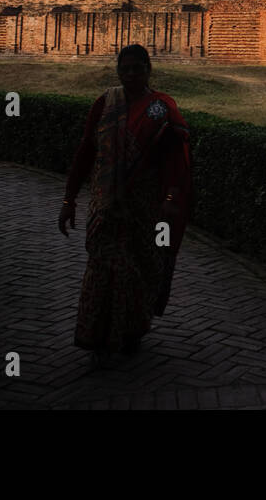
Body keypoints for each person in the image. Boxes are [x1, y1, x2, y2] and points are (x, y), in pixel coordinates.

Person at [58, 44, 193, 365]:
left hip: (143, 206)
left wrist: (172, 199)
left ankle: (131, 331)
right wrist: (69, 198)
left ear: (149, 70)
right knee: (102, 268)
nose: (131, 74)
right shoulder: (106, 103)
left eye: (138, 68)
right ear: (118, 71)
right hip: (105, 204)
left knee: (136, 269)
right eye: (125, 68)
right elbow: (86, 152)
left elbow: (176, 160)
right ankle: (97, 334)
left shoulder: (160, 108)